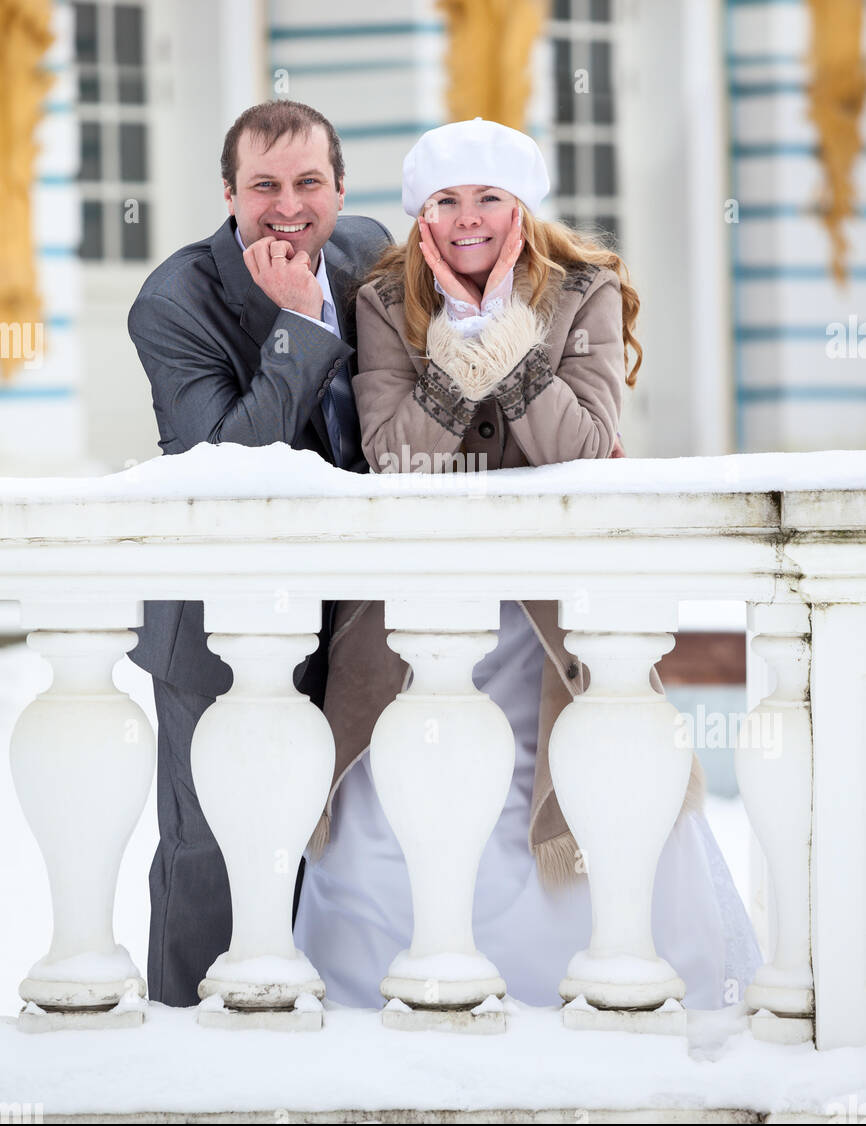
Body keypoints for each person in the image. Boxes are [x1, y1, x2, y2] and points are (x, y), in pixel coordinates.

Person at [293, 117, 762, 1010]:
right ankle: (395, 1001)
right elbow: (398, 453)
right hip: (414, 617)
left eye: (490, 199)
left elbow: (584, 446)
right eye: (447, 201)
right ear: (420, 214)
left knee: (564, 792)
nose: (469, 220)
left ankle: (579, 996)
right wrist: (452, 341)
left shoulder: (583, 291)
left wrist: (500, 332)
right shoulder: (387, 300)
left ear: (523, 207)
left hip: (550, 618)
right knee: (410, 799)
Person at [126, 100, 392, 1007]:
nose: (289, 206)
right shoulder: (172, 303)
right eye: (264, 186)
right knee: (210, 848)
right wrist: (299, 325)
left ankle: (305, 1022)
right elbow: (232, 466)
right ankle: (185, 1041)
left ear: (340, 189)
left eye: (308, 182)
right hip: (215, 626)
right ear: (229, 194)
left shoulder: (366, 254)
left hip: (350, 621)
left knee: (332, 836)